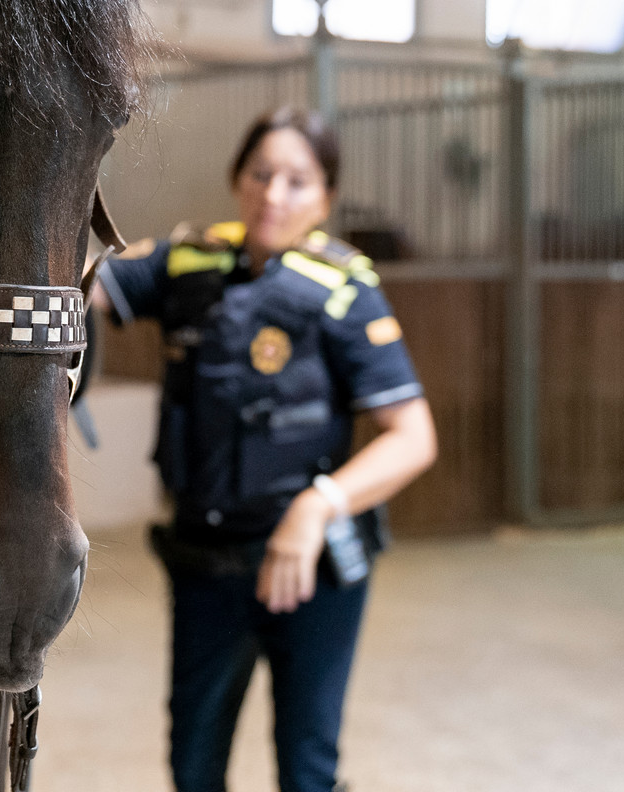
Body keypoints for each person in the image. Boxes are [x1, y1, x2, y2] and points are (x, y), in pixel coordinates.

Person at [95, 106, 437, 792]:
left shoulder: (344, 290)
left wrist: (317, 508)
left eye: (296, 181)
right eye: (260, 174)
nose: (272, 195)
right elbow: (79, 288)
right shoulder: (187, 262)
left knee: (306, 770)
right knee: (192, 767)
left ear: (325, 198)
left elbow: (413, 437)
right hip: (204, 566)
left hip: (310, 572)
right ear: (235, 178)